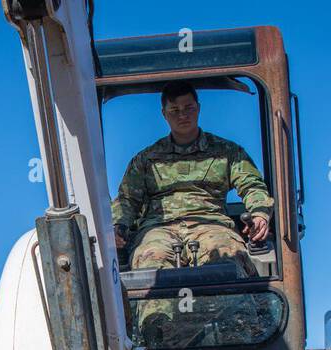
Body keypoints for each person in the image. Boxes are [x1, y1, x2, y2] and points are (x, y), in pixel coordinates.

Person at [112, 80, 273, 274]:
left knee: (226, 257)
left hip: (212, 224)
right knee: (149, 260)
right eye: (174, 110)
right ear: (164, 114)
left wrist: (259, 213)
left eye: (189, 107)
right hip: (159, 228)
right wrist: (118, 226)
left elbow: (252, 185)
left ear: (198, 108)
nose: (183, 115)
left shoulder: (227, 152)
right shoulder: (146, 159)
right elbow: (127, 199)